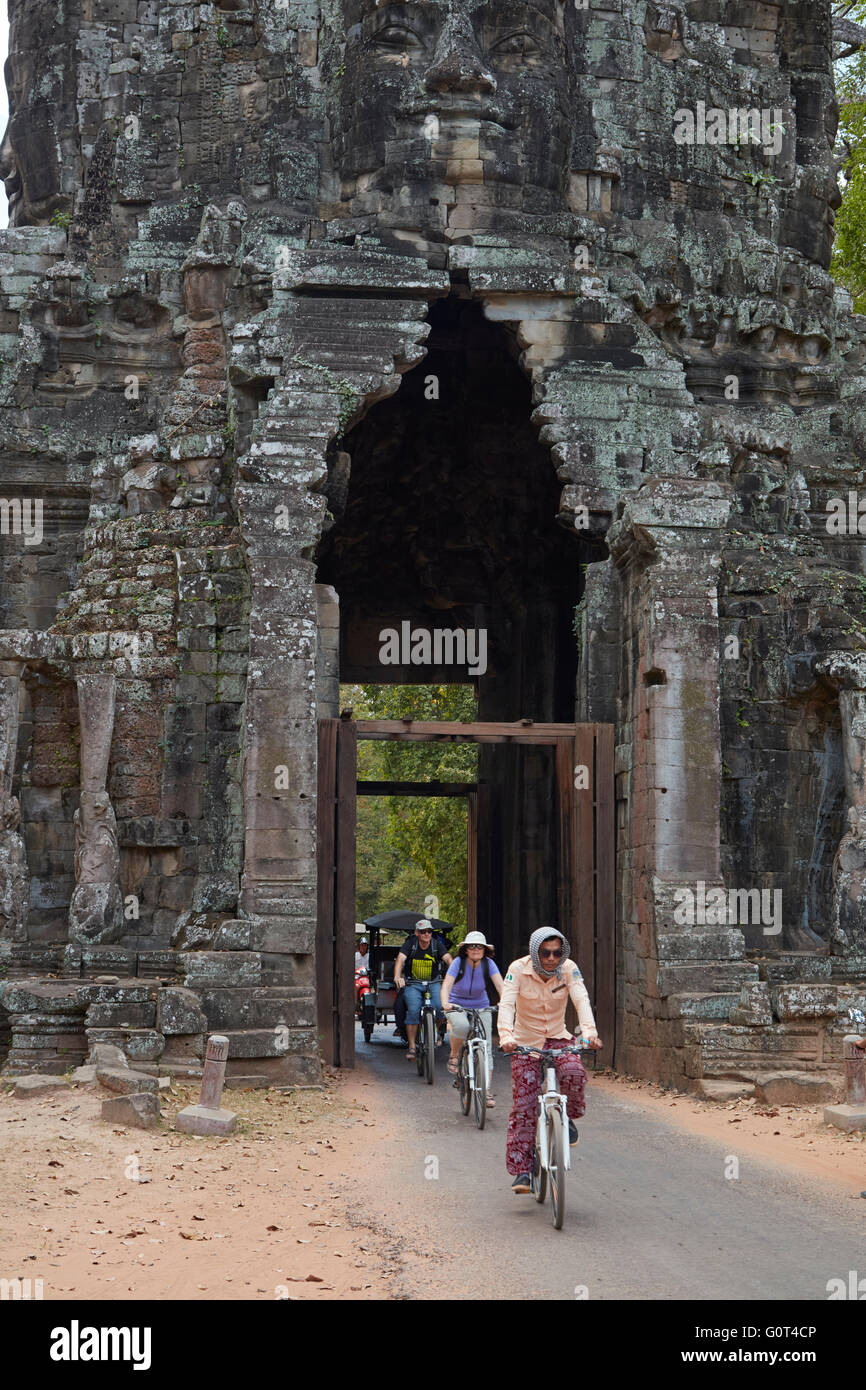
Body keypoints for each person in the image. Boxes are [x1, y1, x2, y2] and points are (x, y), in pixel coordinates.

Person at [498, 927, 603, 1194]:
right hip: (525, 1042)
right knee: (525, 1104)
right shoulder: (518, 970)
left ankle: (567, 1118)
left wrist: (589, 1033)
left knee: (574, 1071)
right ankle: (522, 1170)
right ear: (536, 952)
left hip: (558, 1036)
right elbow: (507, 1004)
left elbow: (581, 1000)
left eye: (557, 953)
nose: (552, 958)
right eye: (546, 953)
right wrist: (506, 1036)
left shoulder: (568, 969)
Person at [441, 932, 504, 1107]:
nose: (476, 949)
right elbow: (447, 984)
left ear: (485, 950)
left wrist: (505, 1001)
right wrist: (446, 1002)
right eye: (472, 946)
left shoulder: (488, 964)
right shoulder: (457, 963)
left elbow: (500, 985)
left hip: (481, 1005)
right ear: (466, 950)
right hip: (457, 1004)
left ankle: (487, 1091)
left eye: (479, 946)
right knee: (461, 1026)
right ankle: (454, 1055)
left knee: (486, 1047)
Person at [393, 920, 452, 1061]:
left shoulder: (436, 945)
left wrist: (452, 976)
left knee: (440, 1006)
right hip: (413, 983)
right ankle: (412, 1046)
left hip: (434, 982)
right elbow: (400, 959)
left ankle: (435, 1031)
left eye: (429, 931)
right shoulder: (411, 944)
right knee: (413, 1010)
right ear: (416, 933)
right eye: (423, 931)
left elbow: (449, 959)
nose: (426, 934)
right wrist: (397, 976)